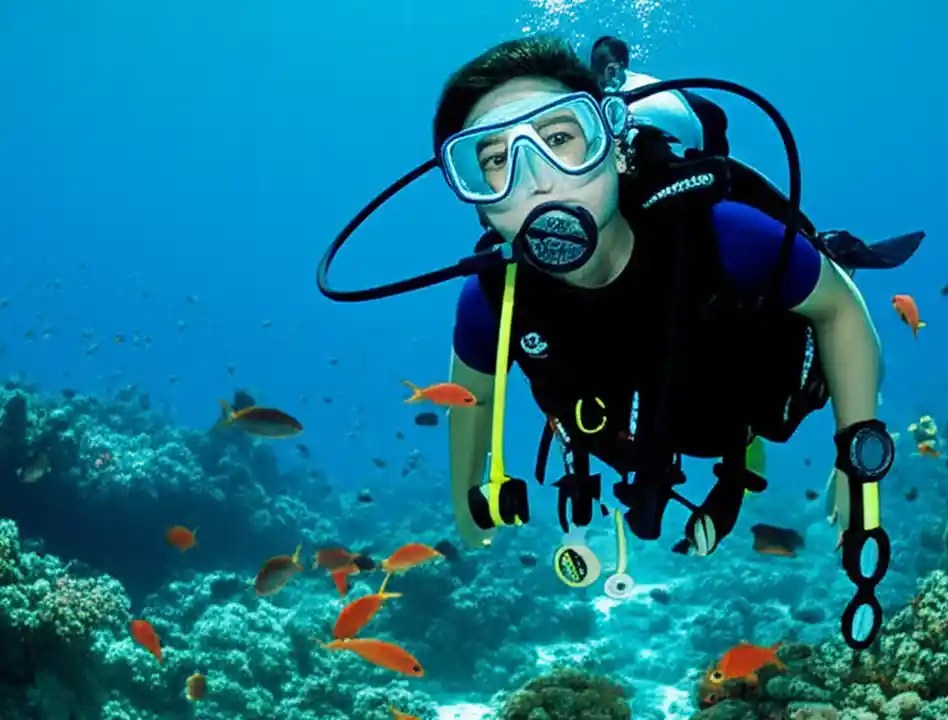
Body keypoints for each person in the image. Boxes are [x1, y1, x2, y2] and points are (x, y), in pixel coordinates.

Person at [318, 33, 917, 650]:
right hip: (635, 428)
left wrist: (856, 459)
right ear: (475, 198)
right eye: (494, 160)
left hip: (737, 392)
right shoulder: (493, 299)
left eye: (558, 138)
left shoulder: (722, 235)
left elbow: (840, 308)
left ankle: (752, 440)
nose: (537, 181)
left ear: (608, 142)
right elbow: (470, 395)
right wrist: (466, 494)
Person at [589, 35, 730, 157]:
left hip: (661, 154)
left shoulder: (611, 97)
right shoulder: (661, 87)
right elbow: (715, 115)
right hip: (698, 147)